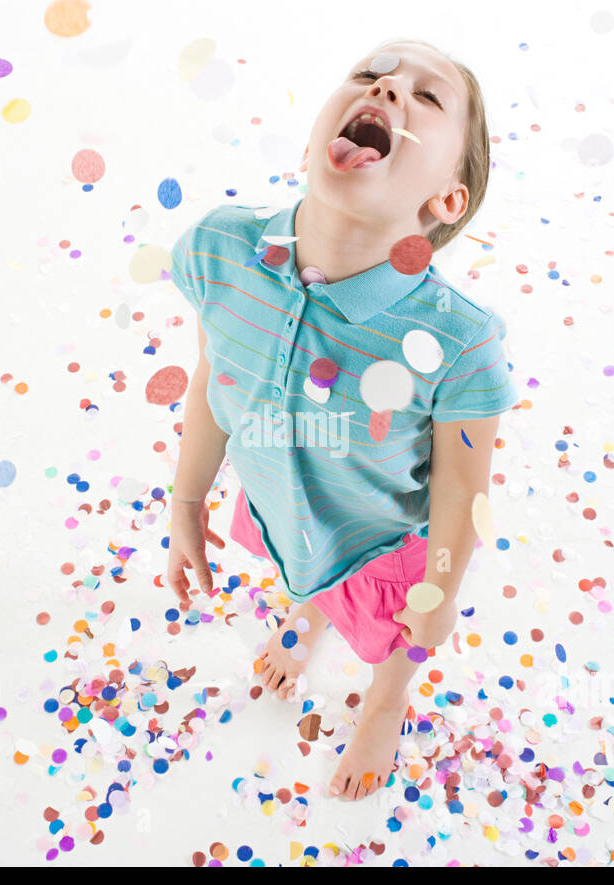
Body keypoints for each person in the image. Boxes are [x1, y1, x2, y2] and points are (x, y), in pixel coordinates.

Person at [165, 38, 517, 801]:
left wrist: (441, 594)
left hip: (385, 543)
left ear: (447, 201)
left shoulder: (460, 344)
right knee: (305, 555)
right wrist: (186, 501)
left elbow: (460, 492)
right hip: (285, 492)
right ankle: (310, 607)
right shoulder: (220, 250)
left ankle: (386, 701)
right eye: (371, 75)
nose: (388, 89)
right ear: (315, 139)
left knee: (398, 634)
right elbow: (210, 384)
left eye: (426, 98)